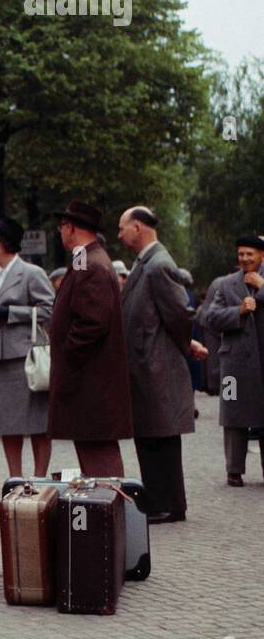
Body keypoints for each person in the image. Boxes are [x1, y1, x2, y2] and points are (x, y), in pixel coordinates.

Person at [117, 206, 207, 523]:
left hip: (156, 364)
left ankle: (168, 503)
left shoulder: (158, 265)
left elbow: (180, 313)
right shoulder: (148, 262)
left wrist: (184, 345)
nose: (119, 234)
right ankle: (160, 500)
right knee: (152, 434)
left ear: (138, 227)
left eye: (122, 227)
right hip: (147, 363)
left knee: (161, 436)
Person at [47, 200, 133, 477]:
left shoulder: (91, 264)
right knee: (93, 453)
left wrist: (68, 355)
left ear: (70, 228)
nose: (60, 232)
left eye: (62, 226)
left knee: (99, 459)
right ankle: (107, 513)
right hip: (89, 380)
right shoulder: (88, 259)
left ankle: (111, 513)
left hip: (90, 381)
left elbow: (91, 322)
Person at [0, 218, 56, 478]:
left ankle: (41, 480)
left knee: (37, 424)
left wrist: (12, 312)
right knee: (7, 425)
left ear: (6, 243)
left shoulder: (32, 273)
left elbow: (49, 309)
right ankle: (15, 480)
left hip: (27, 358)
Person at [198, 234, 264, 487]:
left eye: (250, 254)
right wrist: (238, 311)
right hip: (233, 365)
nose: (245, 258)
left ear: (262, 255)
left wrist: (262, 285)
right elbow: (209, 317)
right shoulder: (225, 284)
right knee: (233, 415)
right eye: (241, 254)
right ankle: (234, 469)